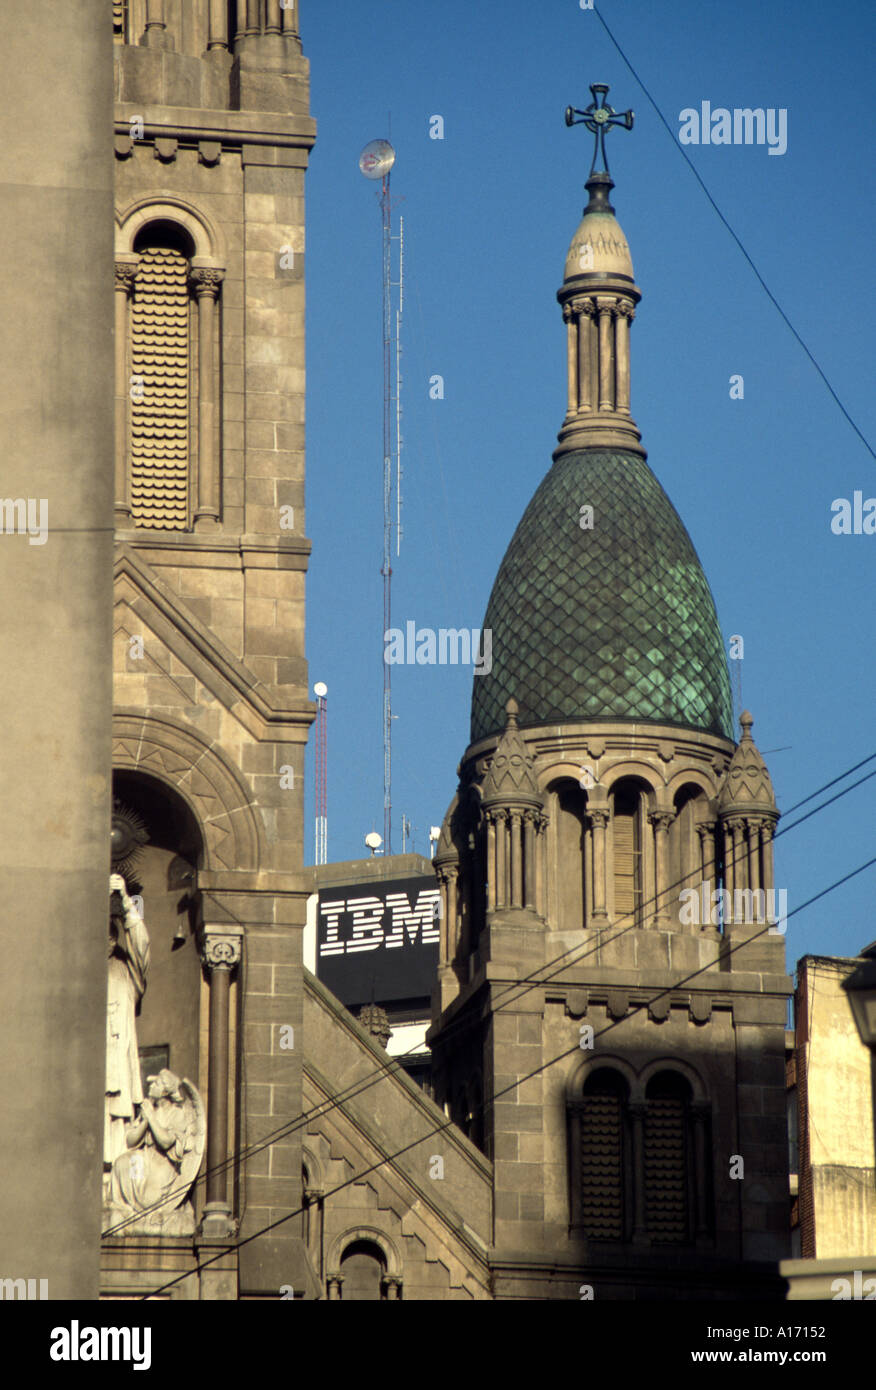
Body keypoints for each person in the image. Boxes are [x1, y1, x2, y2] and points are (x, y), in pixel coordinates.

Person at [105, 872, 150, 1168]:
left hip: (117, 1063)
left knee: (117, 1124)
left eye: (109, 936)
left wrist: (124, 901)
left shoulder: (126, 970)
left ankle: (114, 1181)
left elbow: (142, 945)